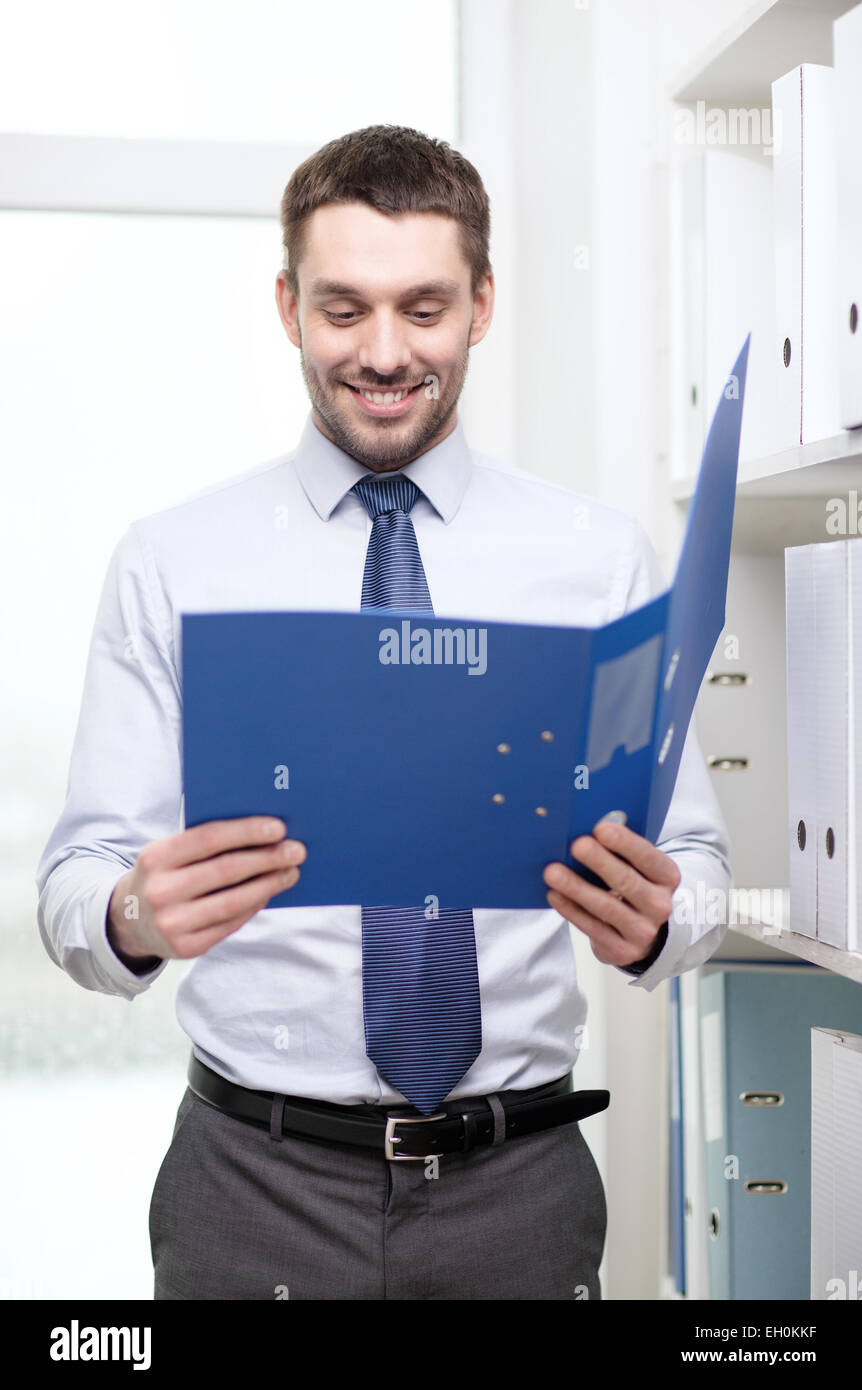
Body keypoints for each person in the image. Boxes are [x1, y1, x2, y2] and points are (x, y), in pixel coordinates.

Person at [35, 124, 732, 1301]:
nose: (384, 351)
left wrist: (662, 922)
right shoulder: (173, 561)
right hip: (251, 1188)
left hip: (519, 1188)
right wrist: (134, 909)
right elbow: (73, 890)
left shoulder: (596, 560)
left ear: (482, 303)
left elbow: (699, 863)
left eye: (424, 306)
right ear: (286, 304)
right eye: (342, 308)